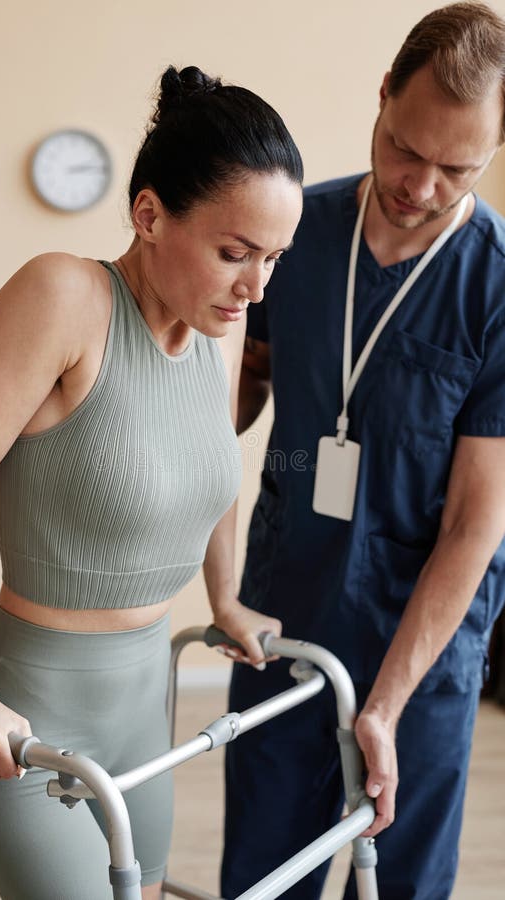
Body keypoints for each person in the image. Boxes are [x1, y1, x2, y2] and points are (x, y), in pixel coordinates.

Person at [0, 65, 302, 900]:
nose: (256, 288)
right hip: (29, 715)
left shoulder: (218, 328)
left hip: (144, 708)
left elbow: (215, 467)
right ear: (149, 215)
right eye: (235, 254)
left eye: (273, 259)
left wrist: (225, 598)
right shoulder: (64, 296)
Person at [221, 4, 505, 899]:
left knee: (399, 880)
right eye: (405, 148)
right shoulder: (295, 231)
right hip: (287, 608)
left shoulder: (495, 285)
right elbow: (245, 381)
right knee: (265, 870)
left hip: (422, 645)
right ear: (383, 95)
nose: (420, 185)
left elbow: (475, 524)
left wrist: (384, 704)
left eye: (456, 168)